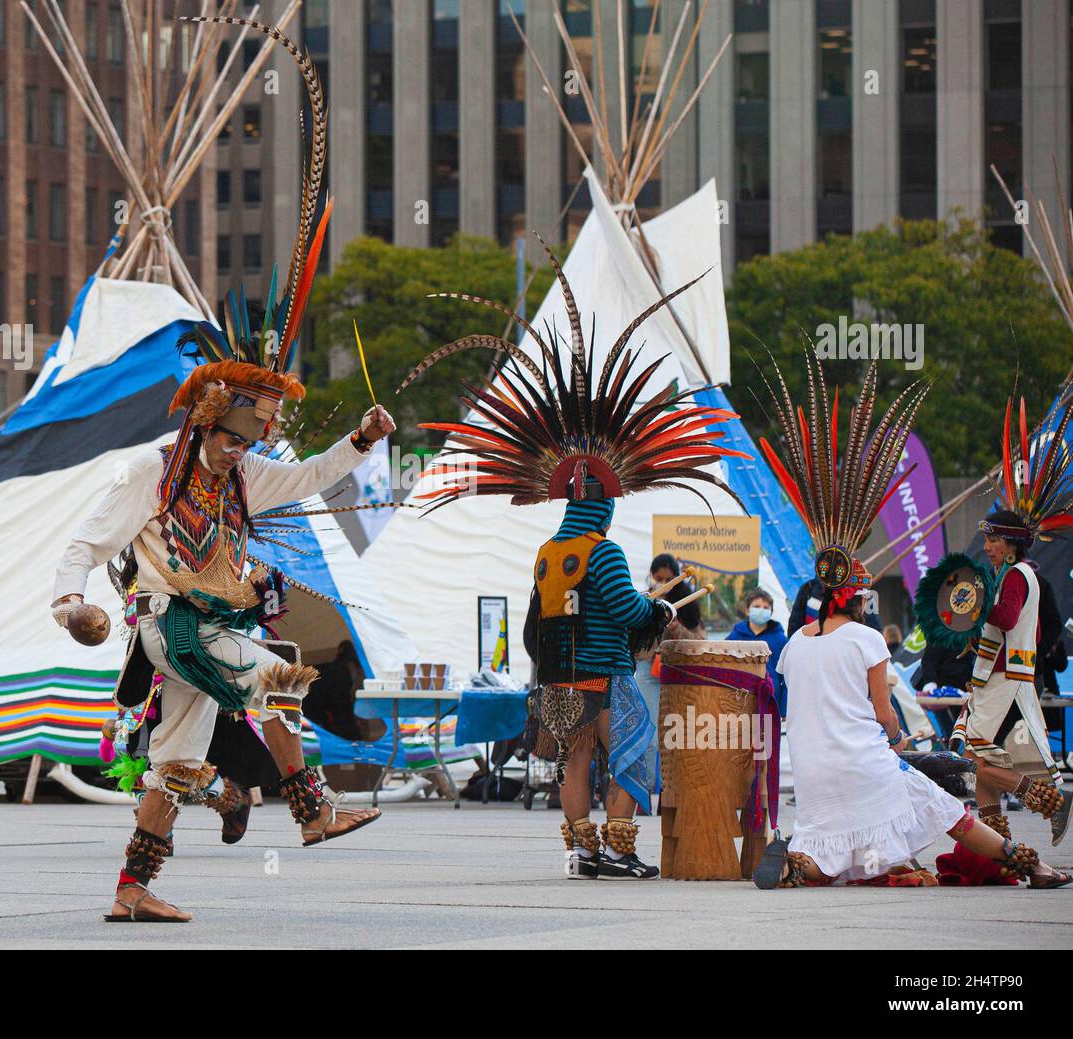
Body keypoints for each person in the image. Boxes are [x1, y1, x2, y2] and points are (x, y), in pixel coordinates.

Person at [51, 21, 388, 923]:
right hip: (173, 627)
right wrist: (69, 604)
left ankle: (132, 888)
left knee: (177, 763)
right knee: (275, 675)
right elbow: (81, 543)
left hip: (205, 632)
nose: (247, 447)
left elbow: (315, 475)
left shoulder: (244, 479)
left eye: (255, 435)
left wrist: (359, 440)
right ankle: (313, 811)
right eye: (240, 431)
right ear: (209, 417)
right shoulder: (149, 474)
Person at [408, 242, 748, 880]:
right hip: (604, 675)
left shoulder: (549, 550)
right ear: (607, 506)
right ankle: (620, 851)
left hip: (555, 678)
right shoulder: (604, 549)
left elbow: (539, 613)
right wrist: (659, 606)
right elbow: (623, 609)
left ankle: (579, 851)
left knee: (575, 762)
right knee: (635, 755)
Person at [752, 353, 1067, 889]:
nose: (987, 545)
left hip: (813, 778)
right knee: (945, 801)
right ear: (857, 596)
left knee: (931, 787)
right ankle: (1026, 862)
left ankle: (809, 861)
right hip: (955, 716)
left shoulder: (793, 646)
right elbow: (886, 717)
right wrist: (896, 738)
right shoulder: (868, 638)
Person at [954, 506, 1072, 845]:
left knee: (973, 758)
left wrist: (973, 606)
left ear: (1011, 544)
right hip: (999, 678)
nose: (987, 546)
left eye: (993, 540)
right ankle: (997, 843)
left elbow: (1006, 618)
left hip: (1006, 681)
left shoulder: (1017, 574)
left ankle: (1048, 800)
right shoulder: (1010, 574)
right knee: (983, 759)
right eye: (987, 539)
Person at [726, 587, 787, 716]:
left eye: (766, 608)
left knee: (769, 735)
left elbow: (787, 678)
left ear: (771, 612)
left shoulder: (781, 640)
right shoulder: (733, 638)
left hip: (770, 704)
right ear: (748, 610)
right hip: (739, 704)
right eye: (757, 606)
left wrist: (783, 709)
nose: (761, 610)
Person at [647, 554, 706, 639]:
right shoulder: (644, 599)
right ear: (651, 574)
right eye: (659, 579)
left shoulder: (687, 601)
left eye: (669, 580)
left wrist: (676, 628)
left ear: (677, 578)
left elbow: (701, 640)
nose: (664, 584)